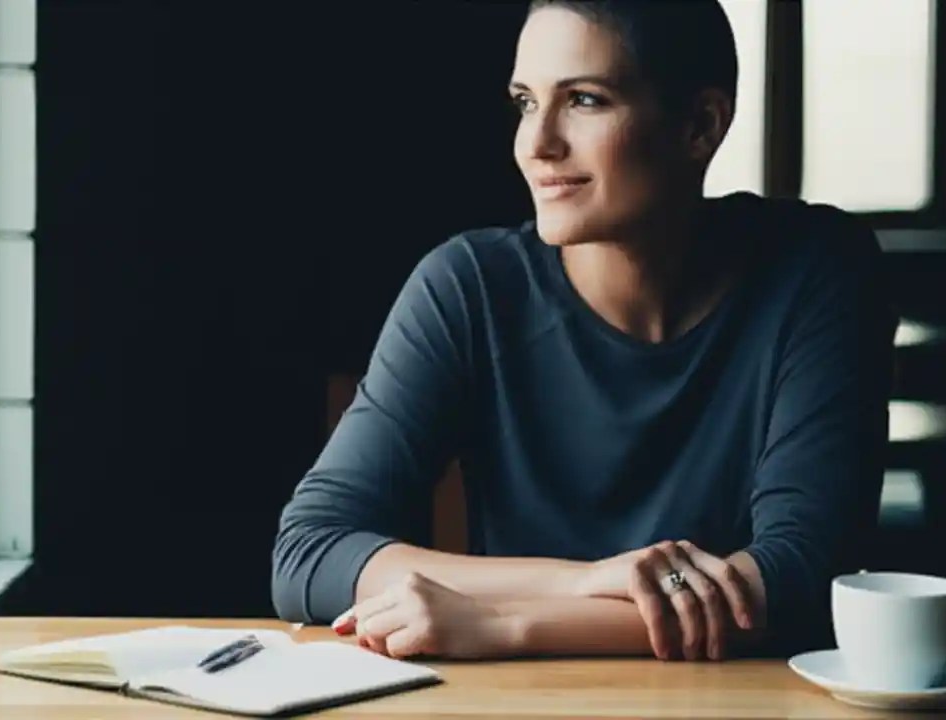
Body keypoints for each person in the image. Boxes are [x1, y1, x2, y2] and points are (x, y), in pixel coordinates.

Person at [271, 0, 896, 662]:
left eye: (586, 101)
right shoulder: (469, 287)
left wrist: (507, 626)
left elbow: (801, 580)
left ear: (701, 125)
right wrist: (588, 580)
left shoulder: (818, 268)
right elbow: (310, 550)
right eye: (525, 102)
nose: (536, 145)